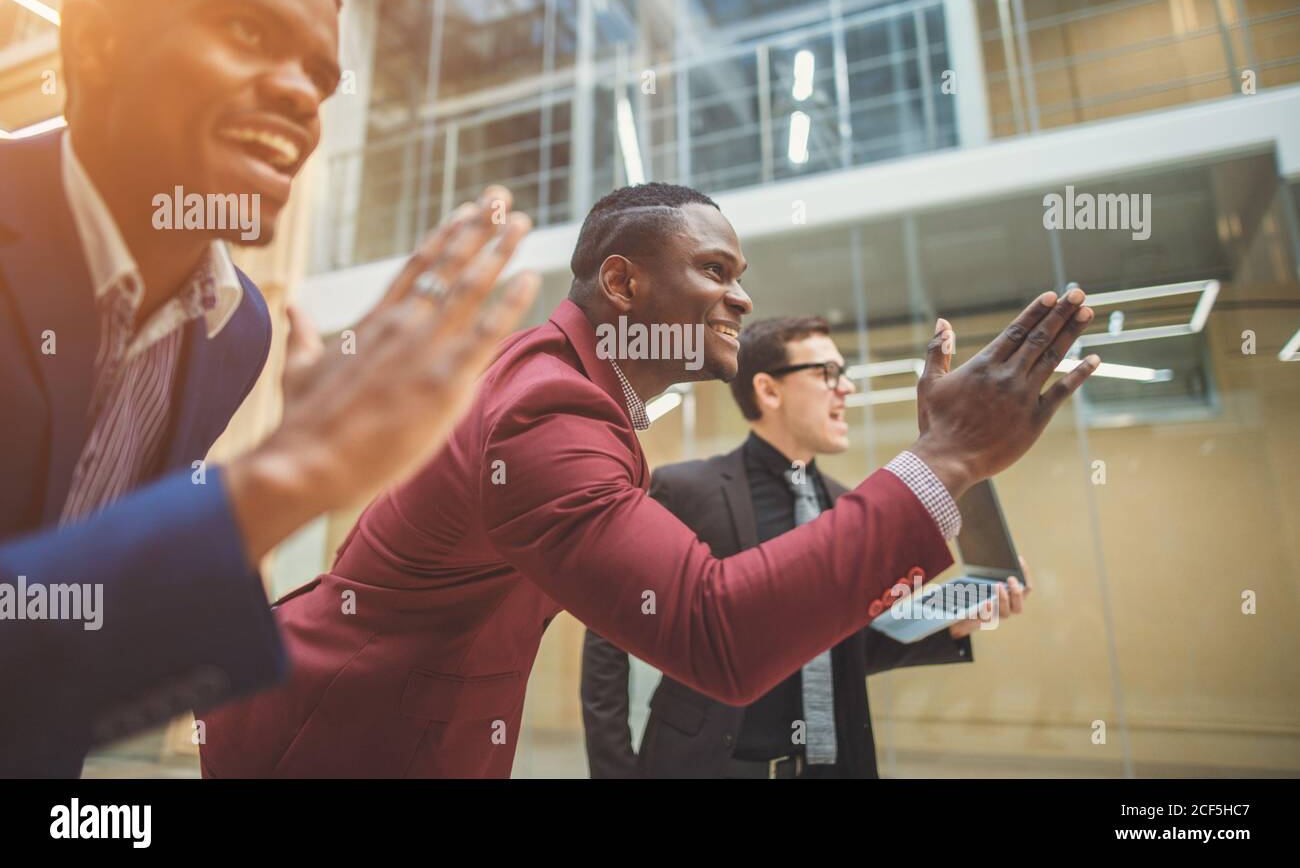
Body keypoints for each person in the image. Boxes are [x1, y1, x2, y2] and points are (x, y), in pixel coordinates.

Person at [199, 182, 1099, 778]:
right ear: (622, 285)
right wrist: (949, 459)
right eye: (715, 269)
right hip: (336, 744)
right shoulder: (548, 406)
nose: (742, 298)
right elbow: (717, 633)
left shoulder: (574, 388)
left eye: (742, 275)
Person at [0, 0, 541, 776]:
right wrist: (289, 474)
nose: (300, 96)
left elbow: (101, 597)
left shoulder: (239, 327)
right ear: (97, 43)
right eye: (248, 32)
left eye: (320, 79)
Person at [581, 316, 1033, 779]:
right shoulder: (685, 490)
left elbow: (842, 648)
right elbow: (607, 636)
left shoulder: (846, 505)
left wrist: (952, 624)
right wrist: (614, 769)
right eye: (826, 374)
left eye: (845, 373)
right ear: (769, 390)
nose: (847, 389)